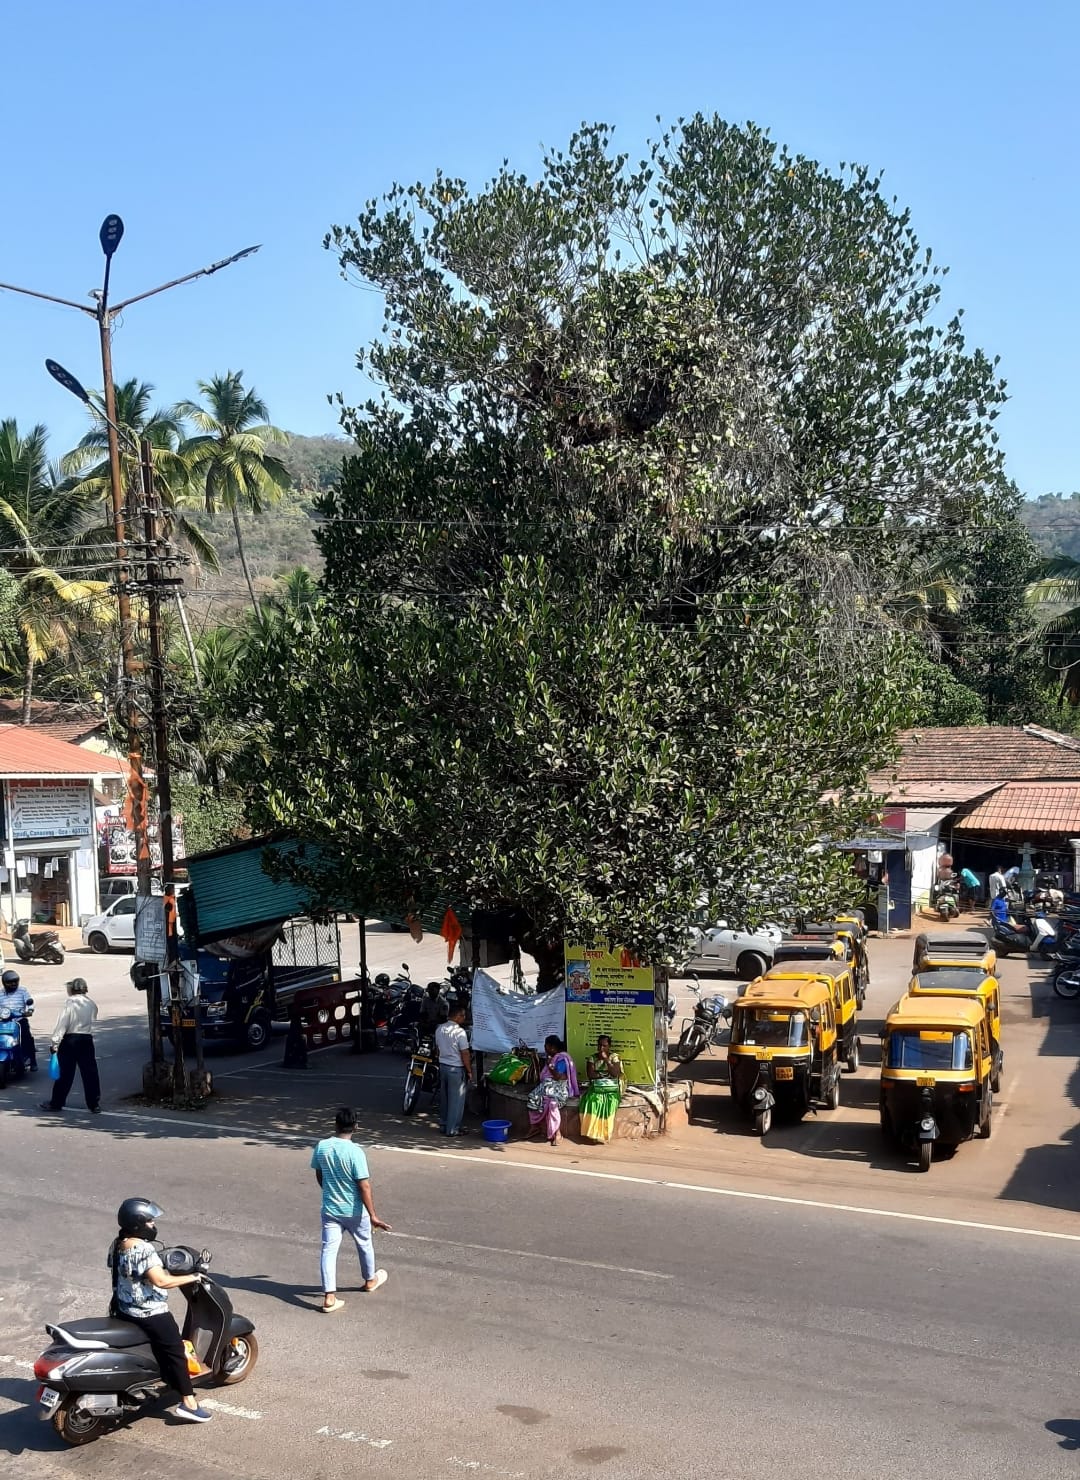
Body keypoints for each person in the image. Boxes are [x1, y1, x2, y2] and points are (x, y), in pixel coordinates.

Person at [107, 1197, 213, 1423]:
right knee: (175, 1350)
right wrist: (193, 1276)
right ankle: (189, 1403)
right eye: (150, 1221)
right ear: (138, 1223)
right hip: (148, 1312)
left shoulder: (118, 1243)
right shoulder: (143, 1249)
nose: (153, 1225)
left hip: (123, 1307)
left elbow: (129, 1273)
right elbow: (161, 1281)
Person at [310, 1107, 391, 1313]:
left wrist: (328, 1190)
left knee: (328, 1250)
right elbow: (364, 1185)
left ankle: (329, 1296)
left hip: (330, 1209)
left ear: (335, 1124)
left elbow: (319, 1174)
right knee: (364, 1244)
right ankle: (369, 1280)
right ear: (356, 1127)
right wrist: (373, 1215)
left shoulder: (322, 1147)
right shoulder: (356, 1152)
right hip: (355, 1211)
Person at [40, 977, 99, 1114]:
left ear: (72, 989)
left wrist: (55, 1043)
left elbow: (62, 1024)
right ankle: (94, 1104)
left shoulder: (70, 1003)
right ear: (85, 989)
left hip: (70, 1040)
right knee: (90, 1073)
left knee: (65, 1074)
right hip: (86, 1039)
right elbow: (93, 1018)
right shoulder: (91, 1004)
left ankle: (57, 1102)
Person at [526, 1035, 579, 1146]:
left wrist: (550, 1066)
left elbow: (558, 1077)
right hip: (548, 1087)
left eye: (546, 1046)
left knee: (552, 1103)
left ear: (552, 1047)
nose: (545, 1048)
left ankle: (557, 1133)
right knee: (532, 1097)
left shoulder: (562, 1058)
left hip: (560, 1088)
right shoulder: (552, 1057)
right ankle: (534, 1127)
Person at [435, 1000, 472, 1136]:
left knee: (445, 1099)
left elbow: (438, 1049)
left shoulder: (440, 1029)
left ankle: (444, 1125)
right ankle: (453, 1129)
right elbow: (465, 1053)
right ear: (457, 1016)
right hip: (456, 1069)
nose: (464, 1019)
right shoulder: (459, 1032)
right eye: (463, 1016)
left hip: (443, 1066)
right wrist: (469, 1070)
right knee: (456, 1100)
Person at [579, 1035, 623, 1144]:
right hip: (596, 1088)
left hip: (611, 1090)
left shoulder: (614, 1057)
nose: (601, 1048)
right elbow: (591, 1075)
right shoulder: (592, 1058)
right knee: (592, 1102)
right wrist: (605, 1074)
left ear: (609, 1046)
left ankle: (603, 1134)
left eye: (604, 1046)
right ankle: (593, 1134)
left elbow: (615, 1074)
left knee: (610, 1103)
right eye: (599, 1045)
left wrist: (606, 1061)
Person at [2, 968, 36, 1071]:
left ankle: (33, 1061)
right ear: (4, 983)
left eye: (15, 982)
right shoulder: (0, 993)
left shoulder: (22, 990)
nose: (13, 984)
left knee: (27, 1038)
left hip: (19, 1020)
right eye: (10, 982)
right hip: (4, 1021)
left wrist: (29, 1010)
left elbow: (29, 1001)